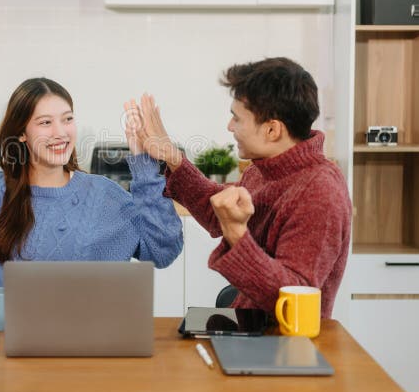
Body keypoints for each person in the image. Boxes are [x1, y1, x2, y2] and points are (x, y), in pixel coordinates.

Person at [0, 69, 184, 316]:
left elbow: (163, 249)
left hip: (77, 362)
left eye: (67, 119)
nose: (60, 132)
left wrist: (144, 164)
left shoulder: (104, 197)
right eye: (45, 122)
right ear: (21, 133)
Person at [128, 57, 351, 318]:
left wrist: (236, 233)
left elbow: (294, 306)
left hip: (284, 346)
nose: (229, 126)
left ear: (272, 130)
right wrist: (173, 158)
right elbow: (216, 211)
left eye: (237, 118)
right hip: (251, 327)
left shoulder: (319, 192)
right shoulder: (265, 167)